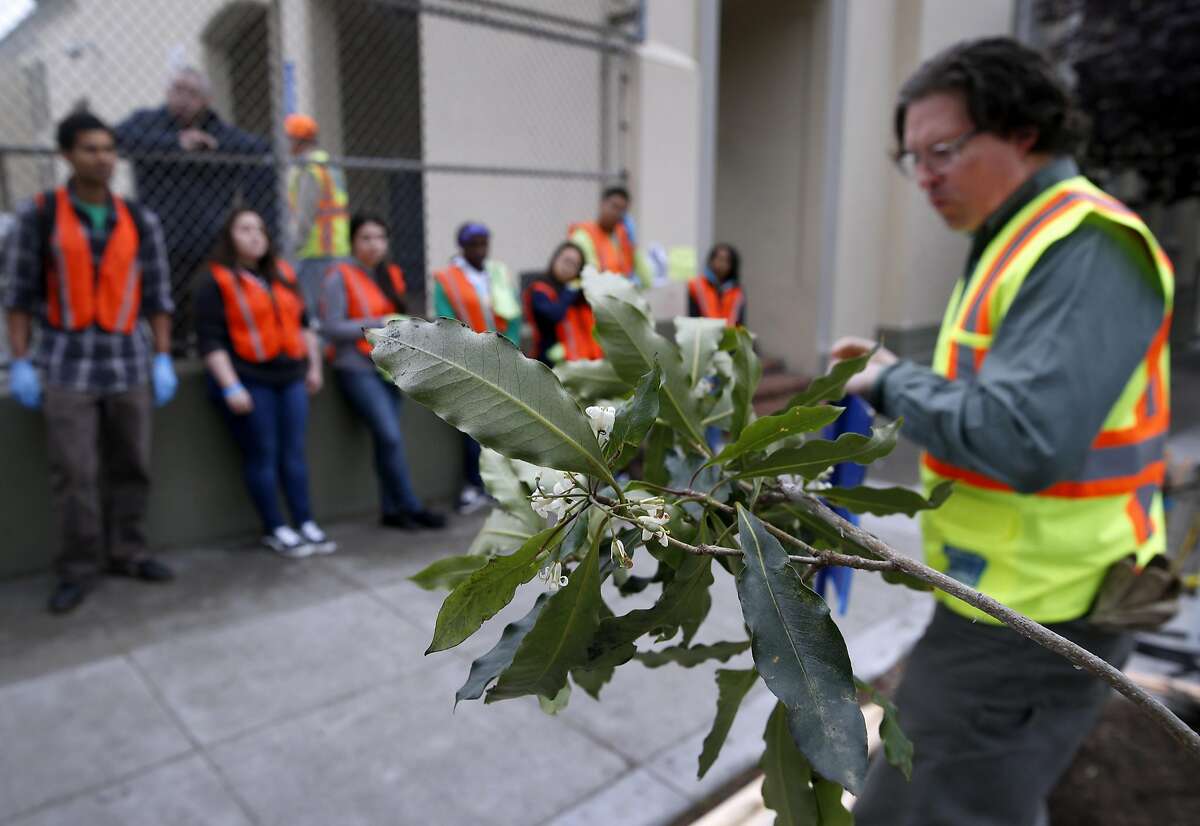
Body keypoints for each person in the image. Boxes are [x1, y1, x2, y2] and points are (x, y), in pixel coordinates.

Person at [834, 39, 1173, 826]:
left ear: (1023, 131)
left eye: (943, 150)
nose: (925, 177)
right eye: (911, 159)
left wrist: (891, 380)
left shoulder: (1083, 246)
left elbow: (1023, 436)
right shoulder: (1013, 238)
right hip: (1004, 600)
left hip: (1042, 618)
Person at [3, 111, 179, 614]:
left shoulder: (140, 219)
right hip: (65, 364)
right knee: (75, 473)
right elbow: (17, 296)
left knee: (133, 465)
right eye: (89, 149)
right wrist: (21, 362)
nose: (102, 158)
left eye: (108, 149)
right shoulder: (37, 215)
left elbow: (158, 298)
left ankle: (128, 551)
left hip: (128, 362)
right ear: (66, 156)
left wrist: (162, 358)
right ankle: (78, 569)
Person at [193, 208, 335, 558]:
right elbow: (210, 341)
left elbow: (305, 325)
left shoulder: (283, 274)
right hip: (250, 380)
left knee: (294, 454)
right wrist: (230, 386)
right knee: (263, 456)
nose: (255, 236)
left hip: (291, 377)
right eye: (244, 229)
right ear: (228, 237)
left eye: (260, 229)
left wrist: (313, 367)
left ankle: (305, 522)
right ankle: (275, 527)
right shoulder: (214, 281)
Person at [115, 67, 274, 353]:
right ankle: (169, 351)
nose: (183, 99)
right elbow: (116, 138)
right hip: (162, 233)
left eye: (192, 93)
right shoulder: (148, 122)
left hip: (210, 236)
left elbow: (259, 148)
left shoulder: (218, 131)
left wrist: (215, 148)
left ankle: (210, 351)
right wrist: (175, 145)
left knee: (210, 299)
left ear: (207, 100)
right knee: (163, 299)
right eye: (177, 90)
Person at [319, 213, 447, 531]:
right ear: (352, 241)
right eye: (366, 238)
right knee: (389, 436)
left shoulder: (390, 273)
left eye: (379, 237)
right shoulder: (339, 275)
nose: (374, 245)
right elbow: (330, 326)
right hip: (356, 367)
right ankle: (411, 505)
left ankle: (392, 510)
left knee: (386, 440)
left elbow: (399, 316)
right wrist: (378, 324)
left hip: (390, 367)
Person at [432, 222, 521, 513]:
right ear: (462, 246)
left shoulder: (498, 273)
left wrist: (512, 349)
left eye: (484, 243)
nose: (480, 249)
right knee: (474, 426)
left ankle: (500, 485)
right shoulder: (447, 278)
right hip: (470, 360)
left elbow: (513, 314)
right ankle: (474, 484)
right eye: (473, 244)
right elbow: (446, 320)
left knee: (502, 424)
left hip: (500, 356)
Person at [284, 113, 350, 313]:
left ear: (297, 140)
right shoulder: (328, 164)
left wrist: (292, 249)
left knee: (311, 311)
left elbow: (305, 216)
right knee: (333, 309)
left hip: (316, 252)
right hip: (337, 249)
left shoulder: (309, 168)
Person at [522, 240, 602, 365]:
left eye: (575, 265)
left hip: (577, 361)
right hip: (545, 362)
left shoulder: (576, 292)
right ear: (555, 258)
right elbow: (554, 314)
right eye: (566, 261)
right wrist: (570, 291)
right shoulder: (540, 288)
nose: (568, 267)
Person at [569, 186, 639, 281]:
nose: (617, 214)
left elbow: (645, 279)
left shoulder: (623, 237)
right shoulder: (583, 235)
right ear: (602, 204)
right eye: (614, 206)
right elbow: (590, 275)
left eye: (622, 210)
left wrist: (634, 247)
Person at [687, 243, 745, 327]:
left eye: (727, 261)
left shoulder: (737, 292)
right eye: (720, 259)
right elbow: (691, 318)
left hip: (728, 337)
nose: (722, 264)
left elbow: (740, 322)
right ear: (711, 260)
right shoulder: (696, 286)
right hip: (702, 336)